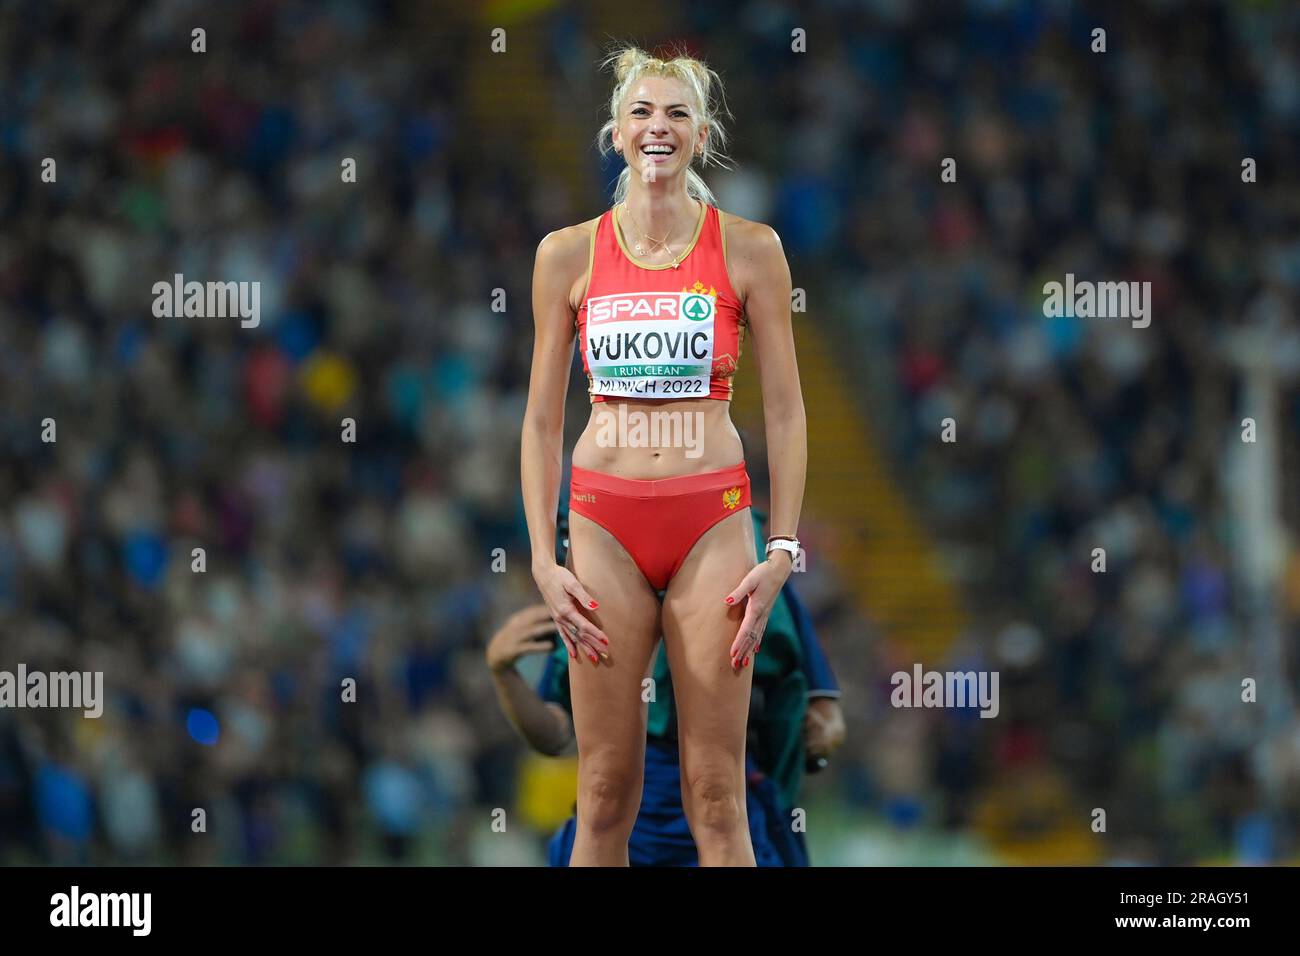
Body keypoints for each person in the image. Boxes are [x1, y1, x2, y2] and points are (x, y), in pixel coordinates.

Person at [521, 43, 807, 866]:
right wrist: (544, 557)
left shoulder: (751, 248)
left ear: (701, 134)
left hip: (711, 522)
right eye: (642, 112)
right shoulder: (566, 254)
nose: (658, 126)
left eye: (676, 113)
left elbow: (785, 411)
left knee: (716, 792)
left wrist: (782, 547)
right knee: (605, 792)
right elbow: (541, 420)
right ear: (616, 134)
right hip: (602, 522)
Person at [487, 507, 843, 865]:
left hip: (735, 796)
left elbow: (823, 707)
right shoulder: (592, 588)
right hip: (628, 806)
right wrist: (504, 674)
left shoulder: (749, 564)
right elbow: (555, 734)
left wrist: (821, 732)